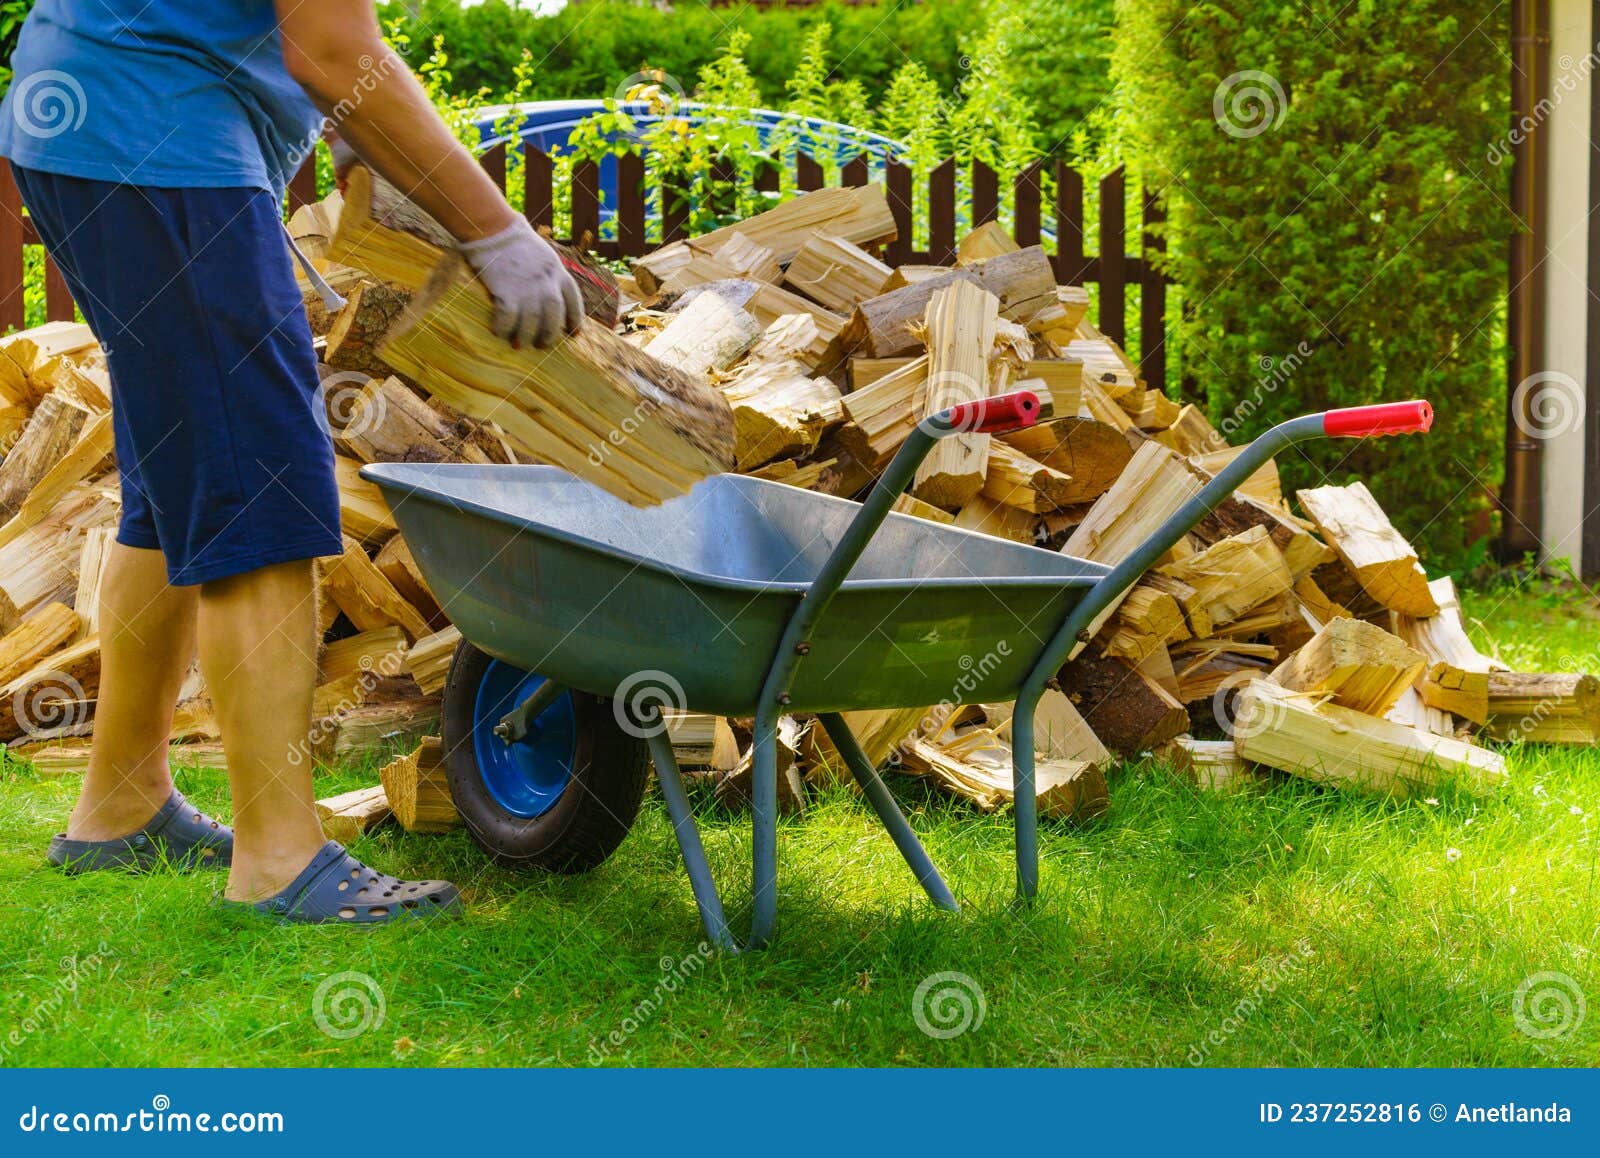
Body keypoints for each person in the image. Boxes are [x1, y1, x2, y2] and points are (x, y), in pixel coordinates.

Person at [0, 1, 581, 923]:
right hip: (161, 142)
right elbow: (329, 48)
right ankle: (281, 858)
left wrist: (361, 142)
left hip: (90, 125)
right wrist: (496, 231)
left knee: (177, 475)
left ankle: (121, 807)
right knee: (259, 478)